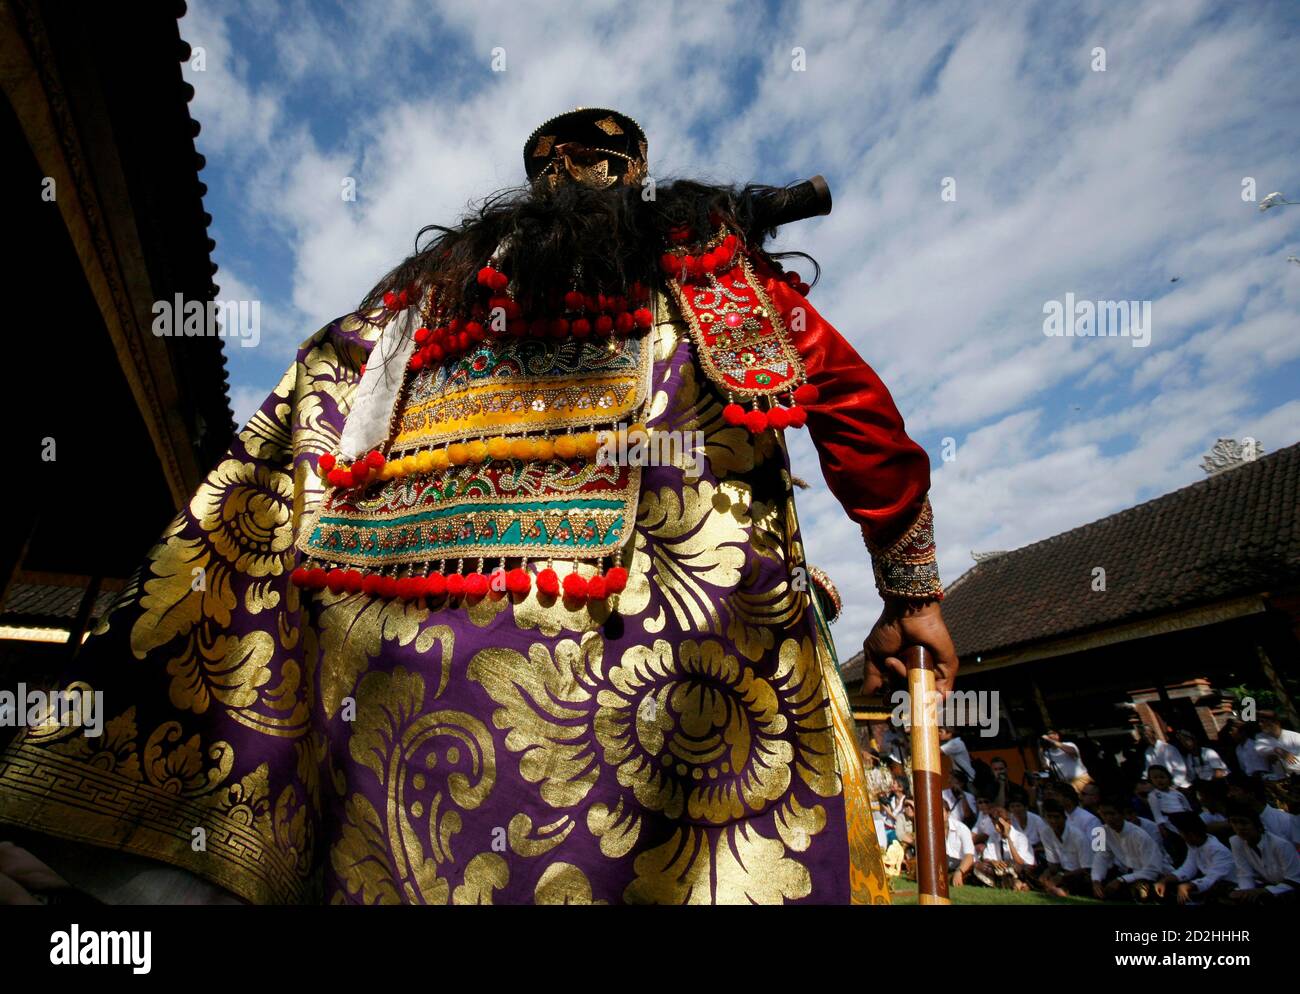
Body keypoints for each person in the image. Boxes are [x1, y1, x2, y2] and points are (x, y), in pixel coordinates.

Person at [0, 107, 960, 906]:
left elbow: (288, 438)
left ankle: (142, 861)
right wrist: (912, 595)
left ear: (538, 183)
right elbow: (855, 410)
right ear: (634, 179)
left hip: (399, 698)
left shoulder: (410, 309)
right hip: (670, 683)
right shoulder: (713, 278)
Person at [1092, 796, 1173, 902]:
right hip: (1129, 875)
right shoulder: (1100, 831)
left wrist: (1121, 880)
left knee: (1142, 892)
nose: (1108, 818)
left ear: (1122, 814)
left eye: (1112, 814)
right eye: (1104, 814)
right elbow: (1100, 857)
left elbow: (1152, 870)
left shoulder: (1139, 835)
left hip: (1156, 877)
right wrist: (1096, 880)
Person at [1153, 811, 1237, 905]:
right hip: (1207, 884)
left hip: (1228, 887)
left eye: (1181, 833)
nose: (1181, 836)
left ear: (1191, 835)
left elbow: (1212, 878)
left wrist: (1190, 885)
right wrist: (1164, 880)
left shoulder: (1218, 850)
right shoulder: (1194, 845)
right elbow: (1188, 868)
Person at [1225, 805, 1300, 904]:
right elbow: (1245, 873)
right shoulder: (1236, 842)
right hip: (1269, 887)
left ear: (1257, 825)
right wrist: (1245, 892)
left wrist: (1265, 891)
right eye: (1234, 822)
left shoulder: (1280, 845)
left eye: (1244, 823)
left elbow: (1294, 879)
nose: (1239, 827)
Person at [1226, 774, 1300, 848]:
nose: (1230, 795)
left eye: (1235, 790)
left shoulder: (1285, 820)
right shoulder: (1238, 827)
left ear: (1251, 794)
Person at [1038, 799, 1093, 897]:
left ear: (1064, 818)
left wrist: (1062, 876)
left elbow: (1087, 869)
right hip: (1062, 872)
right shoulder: (1046, 833)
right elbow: (1053, 864)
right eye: (1049, 817)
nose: (1053, 821)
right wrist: (1047, 873)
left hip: (1079, 875)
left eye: (1056, 817)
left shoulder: (1078, 836)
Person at [1140, 725, 1190, 789]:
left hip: (1180, 786)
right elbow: (1148, 770)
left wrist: (1173, 785)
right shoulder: (1148, 752)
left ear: (1153, 733)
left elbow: (1180, 769)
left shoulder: (1168, 748)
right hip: (1163, 787)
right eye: (1143, 735)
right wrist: (1144, 780)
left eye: (1147, 733)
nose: (1146, 736)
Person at [1257, 711, 1300, 780]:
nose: (1260, 724)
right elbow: (1260, 750)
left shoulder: (1295, 736)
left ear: (1276, 723)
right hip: (1281, 779)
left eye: (1263, 721)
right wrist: (1277, 750)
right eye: (1259, 722)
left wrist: (1283, 759)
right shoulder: (1261, 736)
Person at [944, 798, 976, 889]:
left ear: (948, 813)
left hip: (965, 866)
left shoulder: (962, 828)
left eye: (941, 812)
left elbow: (969, 856)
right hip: (946, 865)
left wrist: (959, 871)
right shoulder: (933, 829)